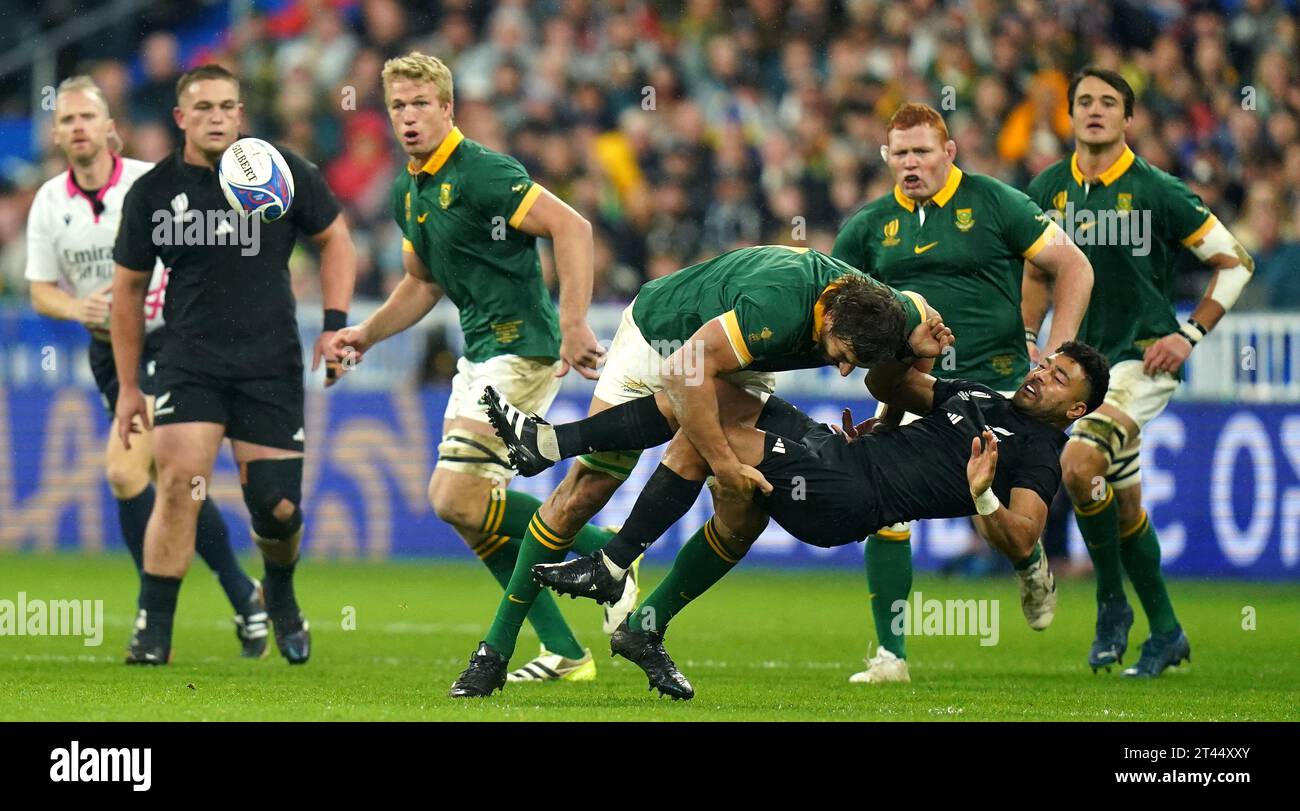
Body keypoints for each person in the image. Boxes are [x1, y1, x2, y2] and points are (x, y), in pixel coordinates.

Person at [449, 243, 955, 697]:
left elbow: (905, 367)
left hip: (736, 355)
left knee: (745, 513)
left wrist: (892, 412)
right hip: (664, 338)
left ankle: (637, 615)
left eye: (853, 364)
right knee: (583, 494)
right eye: (840, 355)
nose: (842, 370)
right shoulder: (779, 305)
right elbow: (684, 374)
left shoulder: (900, 314)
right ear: (828, 321)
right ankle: (494, 653)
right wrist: (726, 463)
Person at [526, 342, 1111, 699]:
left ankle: (612, 560)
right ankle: (643, 621)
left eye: (1060, 379)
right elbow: (892, 383)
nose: (1042, 375)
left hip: (849, 497)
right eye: (1048, 364)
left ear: (1077, 409)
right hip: (837, 453)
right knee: (715, 395)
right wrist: (913, 350)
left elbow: (1024, 537)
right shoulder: (981, 396)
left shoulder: (1037, 451)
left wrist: (983, 496)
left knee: (701, 441)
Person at [324, 52, 618, 685]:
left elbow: (573, 228)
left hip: (523, 348)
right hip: (480, 354)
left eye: (421, 104)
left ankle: (610, 549)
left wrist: (573, 321)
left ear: (448, 108)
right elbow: (420, 283)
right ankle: (566, 649)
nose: (408, 117)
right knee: (463, 507)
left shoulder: (483, 172)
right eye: (398, 106)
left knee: (454, 497)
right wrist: (367, 335)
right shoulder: (409, 190)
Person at [832, 102, 1094, 683]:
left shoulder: (996, 202)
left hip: (1003, 387)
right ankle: (891, 655)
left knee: (995, 519)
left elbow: (1073, 266)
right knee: (883, 505)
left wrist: (1059, 352)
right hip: (916, 387)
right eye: (899, 153)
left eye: (922, 151)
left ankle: (1030, 564)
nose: (910, 163)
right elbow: (829, 305)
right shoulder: (867, 227)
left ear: (949, 151)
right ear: (885, 158)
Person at [111, 64, 357, 665]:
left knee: (277, 509)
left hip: (270, 365)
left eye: (226, 106)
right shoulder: (153, 193)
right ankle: (153, 630)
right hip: (188, 362)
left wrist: (332, 327)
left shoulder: (281, 171)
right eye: (203, 108)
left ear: (240, 114)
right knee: (178, 485)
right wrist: (126, 386)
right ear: (180, 119)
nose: (216, 117)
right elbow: (126, 290)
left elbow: (336, 239)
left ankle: (279, 594)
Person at [1024, 67, 1255, 677]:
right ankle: (1169, 634)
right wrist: (1029, 339)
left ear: (1129, 119)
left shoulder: (1158, 190)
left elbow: (1235, 263)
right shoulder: (1046, 190)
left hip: (1143, 356)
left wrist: (1188, 334)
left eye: (1108, 103)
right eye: (1083, 102)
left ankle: (1108, 606)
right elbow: (1036, 276)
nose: (1094, 111)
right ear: (1069, 116)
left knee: (1078, 464)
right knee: (1120, 506)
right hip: (1081, 369)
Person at [25, 76, 265, 657]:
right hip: (113, 353)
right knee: (170, 487)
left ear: (112, 128)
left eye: (88, 117)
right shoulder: (49, 203)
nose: (78, 127)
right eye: (68, 120)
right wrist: (75, 305)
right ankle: (243, 595)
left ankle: (151, 620)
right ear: (57, 134)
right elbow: (38, 289)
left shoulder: (148, 184)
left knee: (125, 473)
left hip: (175, 345)